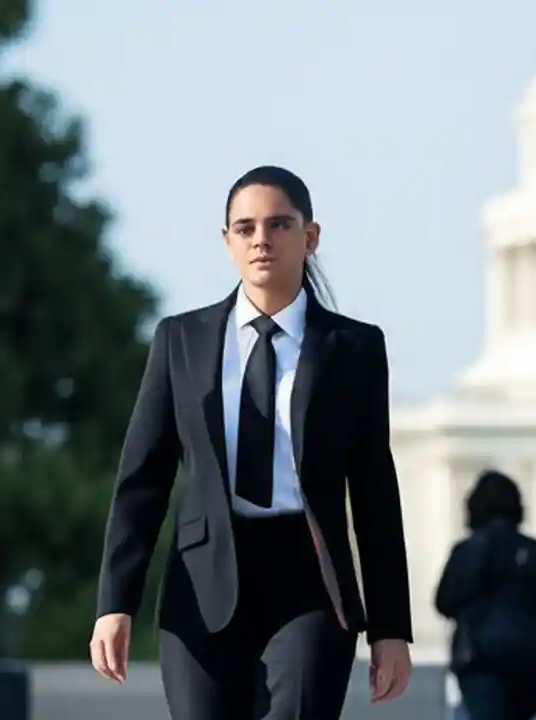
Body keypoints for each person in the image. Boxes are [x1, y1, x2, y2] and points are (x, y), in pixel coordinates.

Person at [88, 165, 413, 718]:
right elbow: (143, 481)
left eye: (279, 225)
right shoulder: (180, 341)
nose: (261, 240)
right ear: (227, 242)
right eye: (245, 228)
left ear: (310, 237)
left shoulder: (353, 348)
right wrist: (116, 603)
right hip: (204, 581)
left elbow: (375, 492)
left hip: (312, 585)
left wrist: (390, 627)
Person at [435, 470, 536, 720]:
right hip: (527, 656)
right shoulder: (534, 551)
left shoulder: (466, 551)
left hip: (479, 657)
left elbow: (445, 602)